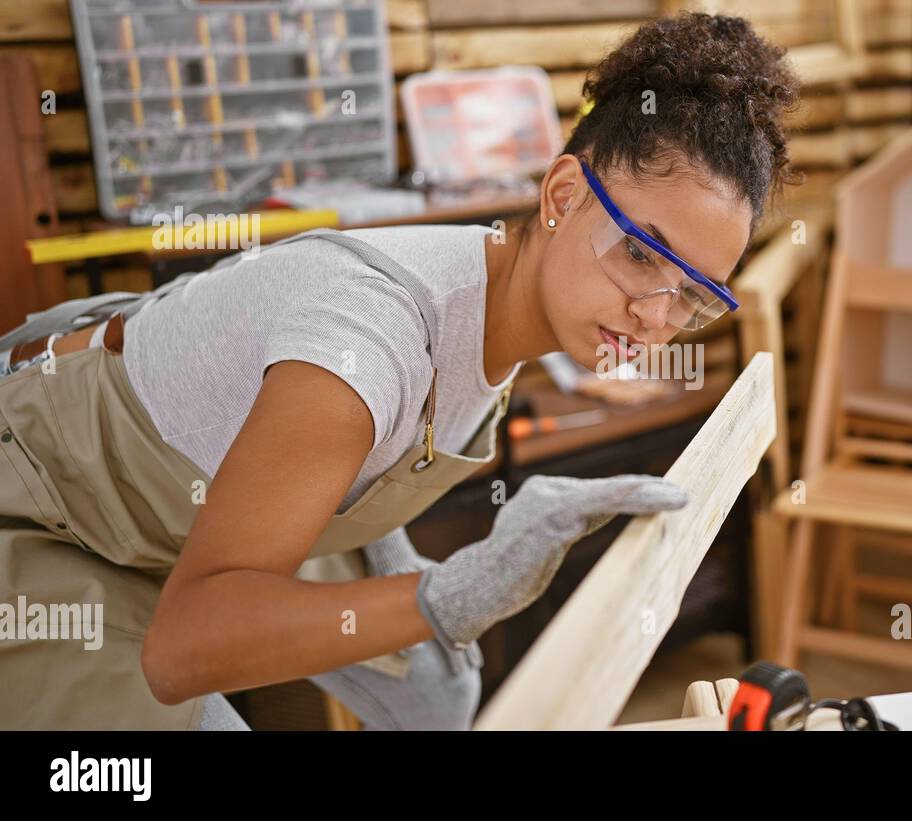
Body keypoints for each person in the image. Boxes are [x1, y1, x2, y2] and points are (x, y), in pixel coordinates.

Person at [0, 11, 801, 730]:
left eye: (693, 294)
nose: (656, 316)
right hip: (53, 512)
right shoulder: (370, 337)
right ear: (563, 193)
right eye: (639, 253)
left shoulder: (509, 299)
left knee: (438, 694)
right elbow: (179, 648)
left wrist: (381, 548)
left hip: (193, 508)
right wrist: (441, 595)